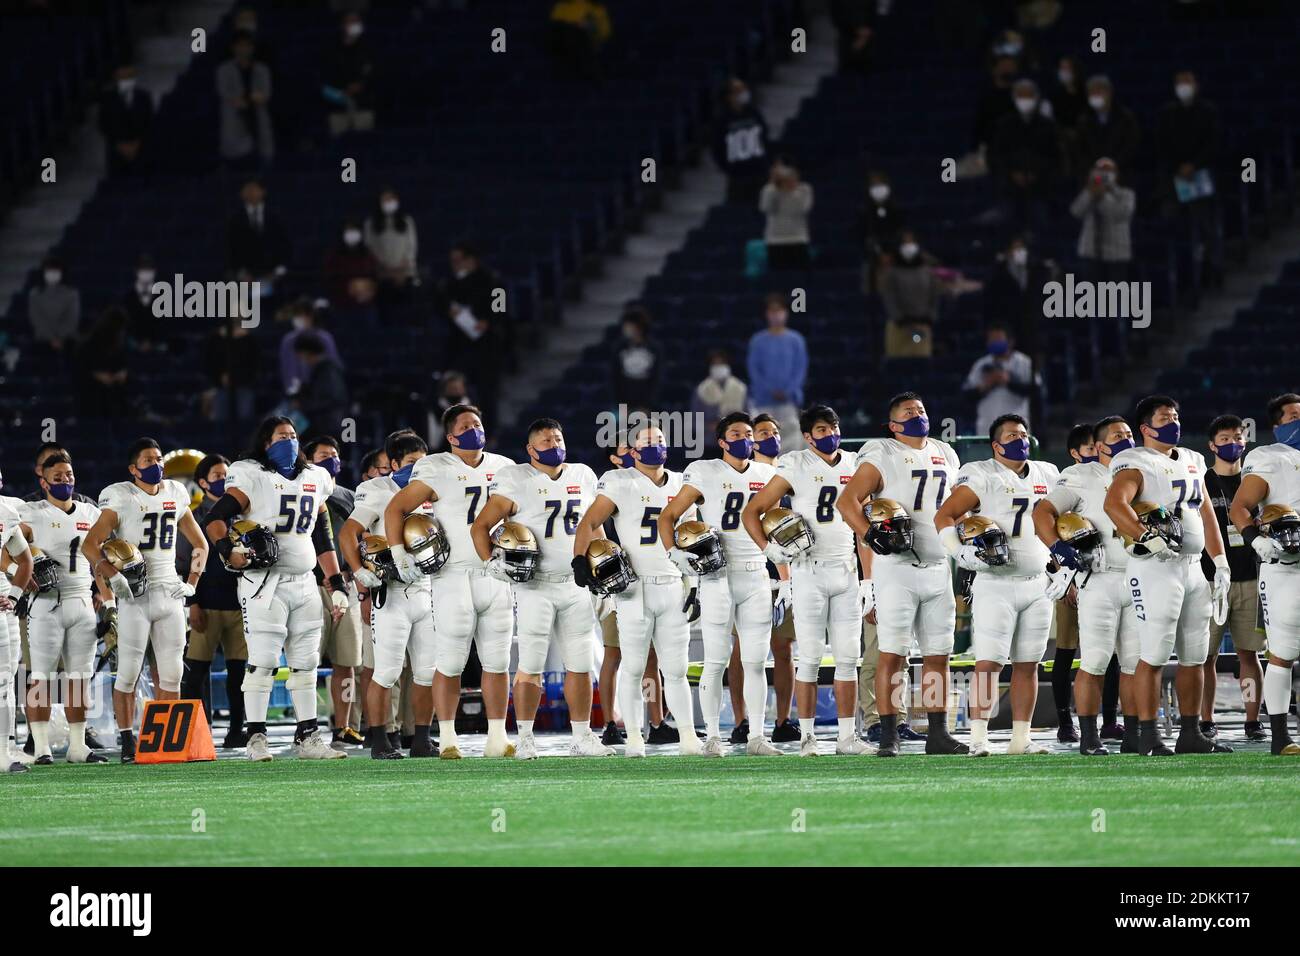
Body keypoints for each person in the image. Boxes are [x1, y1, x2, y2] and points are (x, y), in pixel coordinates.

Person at [202, 416, 350, 762]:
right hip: (264, 583)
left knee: (307, 661)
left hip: (304, 581)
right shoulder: (252, 474)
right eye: (281, 436)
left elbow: (321, 536)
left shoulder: (315, 477)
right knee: (264, 660)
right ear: (265, 443)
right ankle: (256, 736)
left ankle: (308, 737)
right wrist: (228, 551)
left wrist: (336, 582)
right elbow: (215, 519)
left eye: (294, 435)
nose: (290, 441)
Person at [472, 419, 614, 758]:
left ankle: (582, 737)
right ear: (530, 450)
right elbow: (480, 527)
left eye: (557, 438)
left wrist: (604, 576)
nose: (553, 444)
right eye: (545, 440)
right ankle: (524, 738)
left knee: (580, 664)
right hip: (535, 585)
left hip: (576, 583)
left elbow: (595, 528)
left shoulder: (582, 475)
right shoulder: (516, 479)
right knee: (531, 664)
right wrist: (491, 563)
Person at [838, 392, 968, 756]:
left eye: (921, 409)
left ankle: (938, 732)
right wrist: (869, 535)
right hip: (896, 567)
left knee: (938, 655)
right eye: (909, 412)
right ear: (893, 424)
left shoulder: (946, 452)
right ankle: (889, 732)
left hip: (939, 564)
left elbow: (955, 509)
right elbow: (847, 501)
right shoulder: (882, 451)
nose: (918, 414)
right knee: (893, 654)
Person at [384, 404, 516, 759]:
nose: (475, 428)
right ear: (451, 436)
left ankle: (497, 735)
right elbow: (395, 508)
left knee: (497, 660)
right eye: (467, 424)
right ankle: (448, 737)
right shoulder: (435, 466)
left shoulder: (504, 466)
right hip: (453, 574)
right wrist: (399, 553)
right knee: (451, 660)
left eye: (478, 421)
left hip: (495, 572)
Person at [1103, 395, 1231, 756]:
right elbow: (1114, 504)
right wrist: (1146, 538)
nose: (1173, 421)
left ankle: (1190, 732)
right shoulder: (1133, 460)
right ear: (1145, 427)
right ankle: (1148, 734)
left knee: (1196, 653)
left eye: (1175, 415)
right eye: (1164, 416)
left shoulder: (1192, 459)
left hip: (1192, 567)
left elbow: (1206, 512)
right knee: (1155, 652)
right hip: (1155, 566)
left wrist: (1219, 561)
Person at [743, 405, 872, 756]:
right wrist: (770, 550)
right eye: (820, 428)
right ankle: (808, 738)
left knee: (848, 658)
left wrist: (868, 580)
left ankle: (847, 738)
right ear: (806, 435)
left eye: (832, 425)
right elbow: (751, 511)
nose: (829, 432)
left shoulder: (855, 462)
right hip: (808, 569)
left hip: (845, 569)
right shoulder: (794, 464)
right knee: (810, 657)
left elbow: (864, 530)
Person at [936, 414, 1064, 756]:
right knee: (988, 662)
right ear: (996, 444)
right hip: (996, 581)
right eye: (1011, 435)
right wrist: (961, 554)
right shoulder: (982, 473)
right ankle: (978, 737)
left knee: (1028, 663)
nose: (1019, 439)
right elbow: (944, 516)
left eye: (1023, 433)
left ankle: (1021, 738)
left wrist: (1062, 564)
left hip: (1038, 582)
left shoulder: (1047, 473)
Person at [573, 424, 703, 757]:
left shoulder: (680, 483)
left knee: (675, 668)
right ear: (632, 451)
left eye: (659, 440)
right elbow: (588, 522)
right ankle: (633, 737)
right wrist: (580, 560)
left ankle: (687, 736)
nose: (655, 446)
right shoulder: (620, 481)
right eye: (646, 442)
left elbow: (692, 535)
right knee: (632, 667)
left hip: (673, 584)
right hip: (634, 587)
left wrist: (694, 583)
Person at [658, 412, 781, 756]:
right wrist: (674, 553)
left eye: (748, 433)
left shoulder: (767, 473)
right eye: (737, 433)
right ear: (723, 442)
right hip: (717, 574)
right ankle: (712, 735)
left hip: (756, 572)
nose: (745, 438)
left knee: (756, 661)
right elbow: (669, 516)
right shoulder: (705, 471)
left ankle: (757, 736)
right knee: (716, 660)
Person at [83, 438, 210, 763]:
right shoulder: (121, 497)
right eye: (148, 459)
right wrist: (114, 578)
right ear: (132, 468)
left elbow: (201, 544)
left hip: (169, 590)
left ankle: (168, 741)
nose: (156, 464)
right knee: (128, 672)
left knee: (171, 674)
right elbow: (90, 545)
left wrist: (192, 582)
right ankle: (128, 741)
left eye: (158, 458)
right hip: (135, 594)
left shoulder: (175, 493)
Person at [1033, 418, 1141, 755]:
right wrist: (1060, 552)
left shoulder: (1145, 469)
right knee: (1094, 660)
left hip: (1141, 573)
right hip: (1099, 576)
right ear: (1098, 446)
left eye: (1128, 434)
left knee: (1135, 663)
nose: (1125, 439)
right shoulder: (1080, 476)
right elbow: (1043, 512)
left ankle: (1136, 733)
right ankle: (1089, 734)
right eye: (1116, 436)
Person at [340, 429, 438, 759]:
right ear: (393, 464)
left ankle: (422, 738)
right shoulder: (377, 491)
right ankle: (380, 738)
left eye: (424, 462)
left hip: (426, 589)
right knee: (386, 671)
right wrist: (359, 573)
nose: (419, 468)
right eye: (412, 462)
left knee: (426, 671)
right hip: (392, 592)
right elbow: (348, 533)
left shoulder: (432, 490)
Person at [18, 454, 106, 765]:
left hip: (82, 600)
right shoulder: (30, 512)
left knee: (79, 678)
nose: (65, 480)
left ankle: (78, 745)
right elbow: (7, 543)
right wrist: (21, 570)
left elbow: (102, 557)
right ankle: (41, 746)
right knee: (40, 677)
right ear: (43, 481)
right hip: (46, 602)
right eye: (58, 476)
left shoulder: (89, 512)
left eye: (69, 474)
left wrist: (106, 597)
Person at [1229, 392, 1300, 756]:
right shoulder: (1269, 457)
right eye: (1294, 415)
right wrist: (1255, 539)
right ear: (1278, 426)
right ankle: (1280, 736)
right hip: (1287, 566)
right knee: (1283, 653)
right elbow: (1240, 507)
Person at [1199, 414, 1265, 741]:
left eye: (1238, 437)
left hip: (1251, 576)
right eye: (1225, 439)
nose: (1233, 444)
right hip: (1210, 581)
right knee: (1204, 656)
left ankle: (1252, 720)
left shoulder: (1255, 480)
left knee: (1249, 654)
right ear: (1212, 445)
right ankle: (1205, 719)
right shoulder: (1200, 480)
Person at [177, 454, 249, 749]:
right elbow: (185, 563)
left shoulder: (241, 514)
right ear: (203, 482)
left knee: (239, 673)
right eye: (217, 475)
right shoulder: (193, 517)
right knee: (195, 673)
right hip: (206, 603)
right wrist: (193, 603)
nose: (224, 479)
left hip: (239, 603)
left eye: (227, 474)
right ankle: (198, 731)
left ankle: (236, 729)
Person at [303, 436, 364, 750]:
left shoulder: (348, 495)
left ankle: (344, 726)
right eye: (324, 454)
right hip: (311, 584)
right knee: (307, 659)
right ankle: (309, 725)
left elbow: (362, 539)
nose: (332, 459)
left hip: (346, 583)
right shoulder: (301, 490)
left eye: (335, 454)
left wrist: (348, 574)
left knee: (347, 660)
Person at [1155, 70, 1223, 287]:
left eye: (1187, 81)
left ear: (1196, 85)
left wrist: (1194, 164)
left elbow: (1214, 143)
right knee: (1172, 220)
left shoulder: (1208, 111)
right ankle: (1180, 271)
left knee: (1204, 223)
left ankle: (1212, 270)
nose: (1183, 86)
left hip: (1200, 174)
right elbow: (1162, 145)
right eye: (1179, 82)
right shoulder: (1167, 113)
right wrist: (1179, 167)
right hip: (1174, 176)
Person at [441, 242, 508, 429]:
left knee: (487, 392)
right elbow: (442, 305)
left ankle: (490, 432)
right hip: (460, 344)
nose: (455, 264)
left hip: (487, 345)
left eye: (458, 260)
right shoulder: (449, 284)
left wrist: (488, 321)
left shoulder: (492, 280)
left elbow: (501, 307)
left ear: (471, 260)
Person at [988, 78, 1061, 231]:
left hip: (1040, 189)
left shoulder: (1048, 126)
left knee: (1042, 221)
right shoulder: (1004, 125)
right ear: (1014, 98)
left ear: (1036, 98)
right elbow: (996, 156)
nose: (1025, 100)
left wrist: (1035, 174)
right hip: (1009, 188)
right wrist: (1012, 174)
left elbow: (1054, 158)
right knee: (1002, 219)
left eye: (1029, 95)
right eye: (1021, 95)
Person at [0, 496, 33, 773]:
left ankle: (4, 749)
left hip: (1, 608)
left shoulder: (7, 512)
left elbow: (25, 561)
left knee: (5, 680)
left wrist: (13, 595)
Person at [746, 294, 807, 442]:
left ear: (786, 312)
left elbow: (800, 369)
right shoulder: (758, 340)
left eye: (779, 310)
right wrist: (770, 390)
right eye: (772, 311)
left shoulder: (796, 340)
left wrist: (788, 390)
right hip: (763, 401)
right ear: (767, 314)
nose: (776, 315)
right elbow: (754, 370)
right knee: (763, 439)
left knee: (792, 441)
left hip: (788, 401)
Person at [962, 324, 1038, 437]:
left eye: (998, 339)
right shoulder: (981, 364)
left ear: (1010, 341)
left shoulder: (1023, 362)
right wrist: (987, 385)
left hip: (1016, 428)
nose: (994, 343)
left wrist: (1008, 381)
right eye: (991, 340)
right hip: (987, 429)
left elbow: (1034, 390)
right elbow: (967, 395)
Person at [1069, 157, 1134, 283]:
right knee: (1092, 296)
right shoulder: (1089, 191)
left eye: (1109, 171)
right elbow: (1075, 211)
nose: (1104, 174)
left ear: (1116, 174)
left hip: (1116, 255)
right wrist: (1089, 193)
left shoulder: (1126, 194)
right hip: (1091, 253)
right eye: (1100, 170)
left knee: (1114, 297)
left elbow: (1120, 214)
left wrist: (1103, 196)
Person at [215, 30, 273, 167]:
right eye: (240, 45)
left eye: (247, 45)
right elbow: (225, 93)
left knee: (262, 164)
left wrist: (250, 98)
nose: (243, 49)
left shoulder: (262, 69)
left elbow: (265, 94)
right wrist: (247, 98)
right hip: (234, 122)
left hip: (258, 121)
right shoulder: (223, 70)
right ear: (233, 47)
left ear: (252, 48)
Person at [880, 231, 939, 358]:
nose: (908, 246)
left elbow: (934, 296)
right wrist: (900, 319)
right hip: (899, 328)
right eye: (905, 243)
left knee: (920, 360)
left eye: (911, 242)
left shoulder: (927, 272)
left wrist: (929, 316)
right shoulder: (892, 273)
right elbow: (890, 299)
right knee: (898, 363)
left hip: (920, 327)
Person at [712, 78, 770, 204]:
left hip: (759, 172)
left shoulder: (754, 112)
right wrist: (729, 168)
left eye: (744, 89)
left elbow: (765, 136)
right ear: (729, 96)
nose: (743, 93)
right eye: (738, 90)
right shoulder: (722, 119)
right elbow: (717, 148)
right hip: (738, 176)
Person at [1073, 75, 1141, 180]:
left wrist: (1113, 164)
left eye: (1098, 92)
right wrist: (1095, 168)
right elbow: (1080, 150)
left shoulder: (1126, 118)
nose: (1094, 96)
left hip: (1121, 173)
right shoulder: (1083, 120)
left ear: (1109, 93)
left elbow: (1131, 145)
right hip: (1092, 176)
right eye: (1091, 93)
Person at [226, 179, 289, 290]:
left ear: (263, 192)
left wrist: (277, 273)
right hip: (244, 277)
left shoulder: (277, 217)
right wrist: (242, 274)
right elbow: (230, 251)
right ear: (241, 194)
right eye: (247, 190)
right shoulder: (233, 220)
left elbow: (285, 247)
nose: (251, 193)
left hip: (273, 275)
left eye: (254, 189)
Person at [324, 12, 375, 136]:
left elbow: (372, 75)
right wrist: (341, 92)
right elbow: (325, 80)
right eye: (351, 22)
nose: (354, 25)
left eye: (357, 22)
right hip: (337, 108)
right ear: (343, 25)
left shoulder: (368, 50)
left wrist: (361, 86)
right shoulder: (331, 50)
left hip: (363, 106)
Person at [278, 299, 342, 397]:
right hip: (299, 391)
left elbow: (333, 363)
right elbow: (287, 368)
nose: (300, 319)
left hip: (323, 389)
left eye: (304, 315)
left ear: (311, 317)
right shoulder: (288, 340)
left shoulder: (324, 338)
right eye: (297, 315)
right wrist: (292, 391)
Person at [75, 308, 132, 418]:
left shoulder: (120, 346)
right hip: (91, 397)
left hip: (115, 396)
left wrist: (123, 373)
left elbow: (124, 365)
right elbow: (79, 370)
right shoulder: (87, 346)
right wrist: (96, 376)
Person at [856, 169, 905, 293]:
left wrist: (890, 253)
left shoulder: (896, 209)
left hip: (893, 256)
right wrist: (878, 253)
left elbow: (900, 232)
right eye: (874, 185)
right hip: (871, 258)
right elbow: (862, 234)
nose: (878, 188)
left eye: (880, 184)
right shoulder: (864, 211)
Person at [99, 63, 152, 176]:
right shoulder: (107, 98)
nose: (126, 80)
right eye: (123, 77)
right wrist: (119, 145)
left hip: (140, 149)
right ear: (116, 78)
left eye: (129, 77)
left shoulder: (144, 97)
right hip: (116, 150)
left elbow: (149, 122)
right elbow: (103, 124)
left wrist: (137, 144)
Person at [759, 160, 813, 271]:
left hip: (798, 238)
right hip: (775, 240)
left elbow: (803, 209)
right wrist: (776, 189)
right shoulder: (769, 190)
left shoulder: (804, 189)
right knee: (777, 279)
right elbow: (766, 209)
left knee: (800, 279)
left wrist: (791, 190)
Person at [363, 188, 419, 297]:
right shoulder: (370, 223)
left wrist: (402, 268)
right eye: (385, 199)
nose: (389, 202)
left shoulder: (407, 221)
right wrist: (385, 268)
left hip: (404, 273)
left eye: (391, 198)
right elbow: (369, 247)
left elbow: (412, 246)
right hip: (382, 274)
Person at [292, 333, 349, 439]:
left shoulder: (328, 371)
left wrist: (303, 405)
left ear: (306, 352)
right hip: (323, 425)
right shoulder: (319, 370)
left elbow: (331, 399)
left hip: (330, 427)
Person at [547, 0, 612, 82]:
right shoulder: (564, 5)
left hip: (583, 43)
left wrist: (588, 28)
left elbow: (604, 32)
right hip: (562, 38)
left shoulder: (596, 9)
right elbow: (555, 21)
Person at [612, 307, 662, 411]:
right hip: (624, 404)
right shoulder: (620, 347)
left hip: (647, 405)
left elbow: (657, 377)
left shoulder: (654, 348)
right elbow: (614, 376)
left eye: (628, 325)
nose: (625, 328)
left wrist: (648, 404)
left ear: (638, 327)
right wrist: (620, 404)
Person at [690, 349, 748, 440]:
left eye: (721, 364)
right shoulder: (701, 389)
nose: (718, 367)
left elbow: (748, 418)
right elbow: (694, 422)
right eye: (715, 364)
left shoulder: (740, 388)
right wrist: (710, 426)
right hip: (709, 441)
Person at [322, 219, 379, 310]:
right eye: (349, 230)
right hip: (341, 304)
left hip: (365, 304)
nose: (352, 234)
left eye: (354, 230)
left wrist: (368, 289)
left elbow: (374, 276)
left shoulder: (368, 254)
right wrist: (350, 287)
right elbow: (328, 278)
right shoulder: (334, 255)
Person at [28, 258, 80, 355]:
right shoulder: (34, 294)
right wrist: (52, 338)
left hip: (67, 339)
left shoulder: (72, 293)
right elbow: (36, 318)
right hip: (42, 339)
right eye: (49, 271)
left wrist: (59, 337)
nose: (52, 274)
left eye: (55, 271)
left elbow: (72, 319)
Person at [829, 0, 878, 75]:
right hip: (848, 38)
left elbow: (876, 13)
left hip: (869, 40)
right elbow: (836, 15)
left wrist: (866, 34)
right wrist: (855, 30)